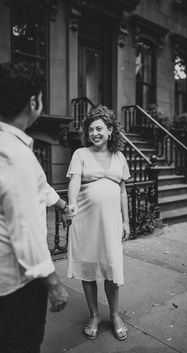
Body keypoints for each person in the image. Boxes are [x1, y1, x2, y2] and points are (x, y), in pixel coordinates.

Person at [0, 62, 72, 353]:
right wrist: (53, 284)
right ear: (33, 102)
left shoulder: (13, 147)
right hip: (16, 286)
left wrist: (62, 204)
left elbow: (40, 187)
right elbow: (26, 232)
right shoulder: (14, 155)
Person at [67, 104, 130, 341]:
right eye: (91, 129)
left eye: (100, 128)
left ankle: (114, 315)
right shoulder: (80, 154)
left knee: (112, 268)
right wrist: (71, 205)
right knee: (89, 268)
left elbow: (123, 191)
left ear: (111, 130)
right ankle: (93, 314)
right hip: (86, 221)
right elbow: (74, 182)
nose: (94, 133)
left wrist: (126, 221)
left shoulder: (119, 156)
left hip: (111, 223)